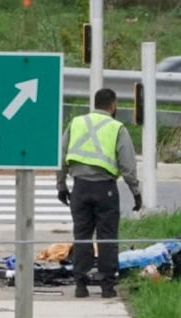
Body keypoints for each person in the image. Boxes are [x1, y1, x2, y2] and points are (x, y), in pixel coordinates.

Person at [56, 87, 141, 298]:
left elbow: (61, 155)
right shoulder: (117, 128)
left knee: (82, 235)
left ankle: (81, 285)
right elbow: (128, 164)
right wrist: (136, 192)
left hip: (80, 187)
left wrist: (61, 186)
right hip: (106, 189)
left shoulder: (76, 123)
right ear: (113, 105)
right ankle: (107, 286)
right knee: (107, 237)